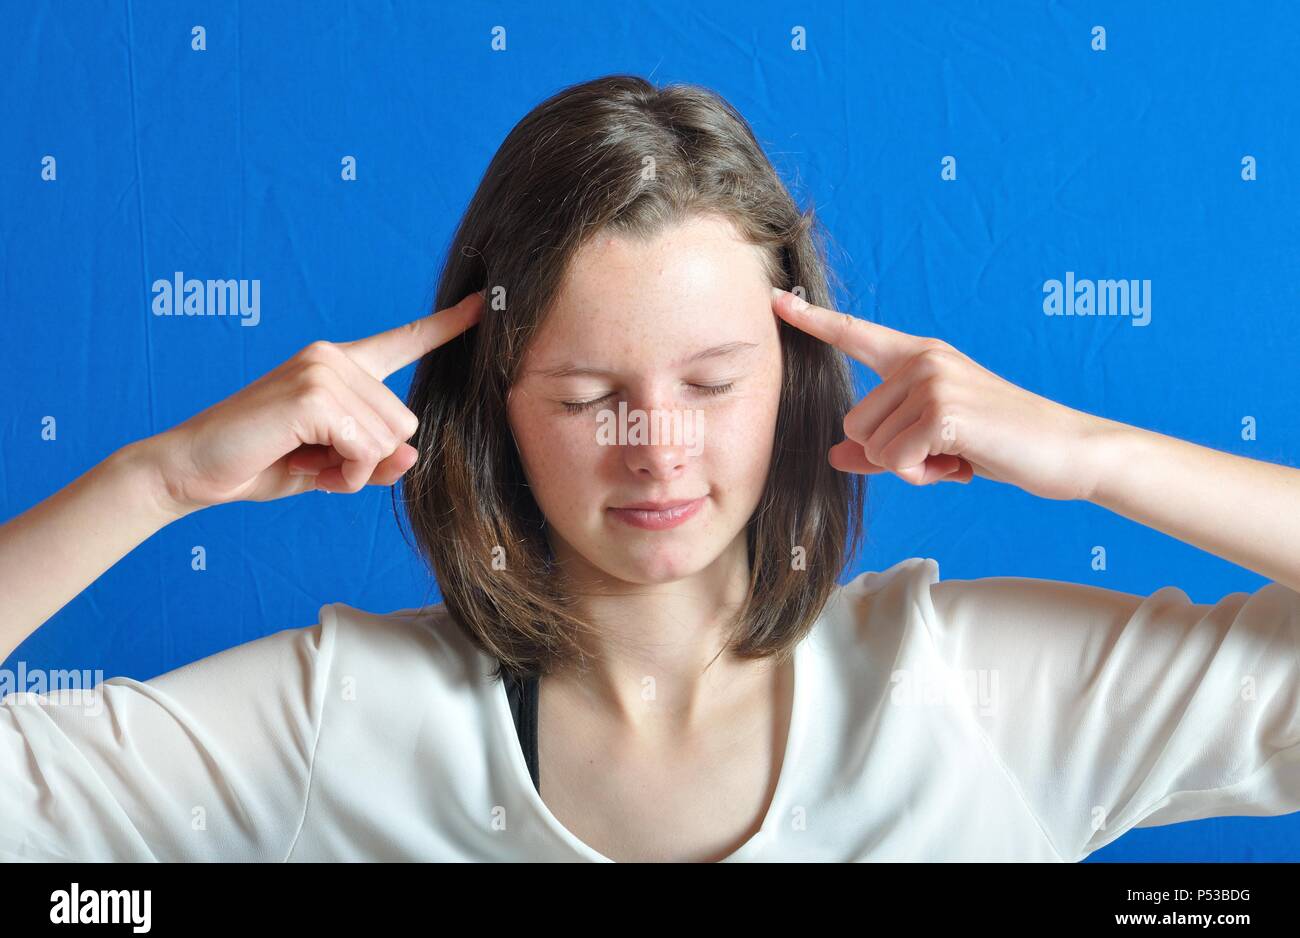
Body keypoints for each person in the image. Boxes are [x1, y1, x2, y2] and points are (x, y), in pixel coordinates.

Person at [2, 74, 1297, 863]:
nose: (658, 447)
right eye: (587, 395)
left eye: (712, 382)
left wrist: (1101, 457)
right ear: (495, 407)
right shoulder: (334, 717)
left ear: (795, 376)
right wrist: (157, 481)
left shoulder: (983, 693)